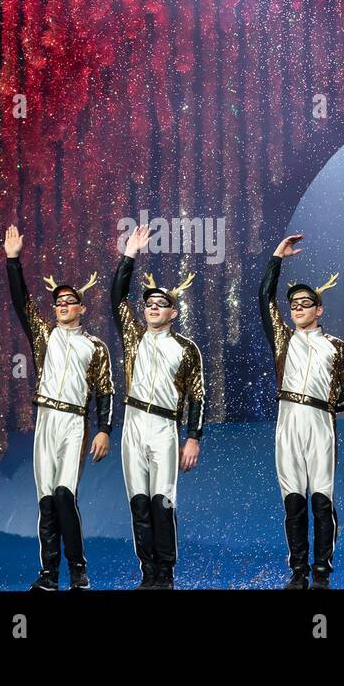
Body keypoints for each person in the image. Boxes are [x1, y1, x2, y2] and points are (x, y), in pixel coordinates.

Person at [4, 225, 113, 591]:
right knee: (47, 499)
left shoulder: (95, 346)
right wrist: (13, 261)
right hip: (46, 419)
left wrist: (104, 429)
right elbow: (21, 303)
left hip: (75, 421)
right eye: (58, 302)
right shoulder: (44, 336)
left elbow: (105, 391)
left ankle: (78, 569)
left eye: (70, 301)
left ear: (82, 307)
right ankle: (49, 573)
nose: (63, 305)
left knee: (66, 493)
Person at [259, 233, 344, 589]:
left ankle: (321, 572)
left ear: (320, 309)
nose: (299, 308)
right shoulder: (283, 339)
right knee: (293, 501)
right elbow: (264, 297)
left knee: (321, 498)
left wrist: (323, 406)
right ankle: (298, 571)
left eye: (306, 303)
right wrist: (276, 257)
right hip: (287, 420)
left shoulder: (336, 347)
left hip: (320, 423)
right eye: (294, 304)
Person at [110, 224, 206, 589]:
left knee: (162, 502)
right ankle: (147, 573)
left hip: (165, 428)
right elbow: (117, 298)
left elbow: (197, 396)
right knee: (138, 502)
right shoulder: (133, 336)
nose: (152, 308)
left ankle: (165, 573)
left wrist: (193, 437)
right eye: (148, 304)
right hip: (133, 423)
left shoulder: (186, 349)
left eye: (160, 304)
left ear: (173, 313)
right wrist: (129, 255)